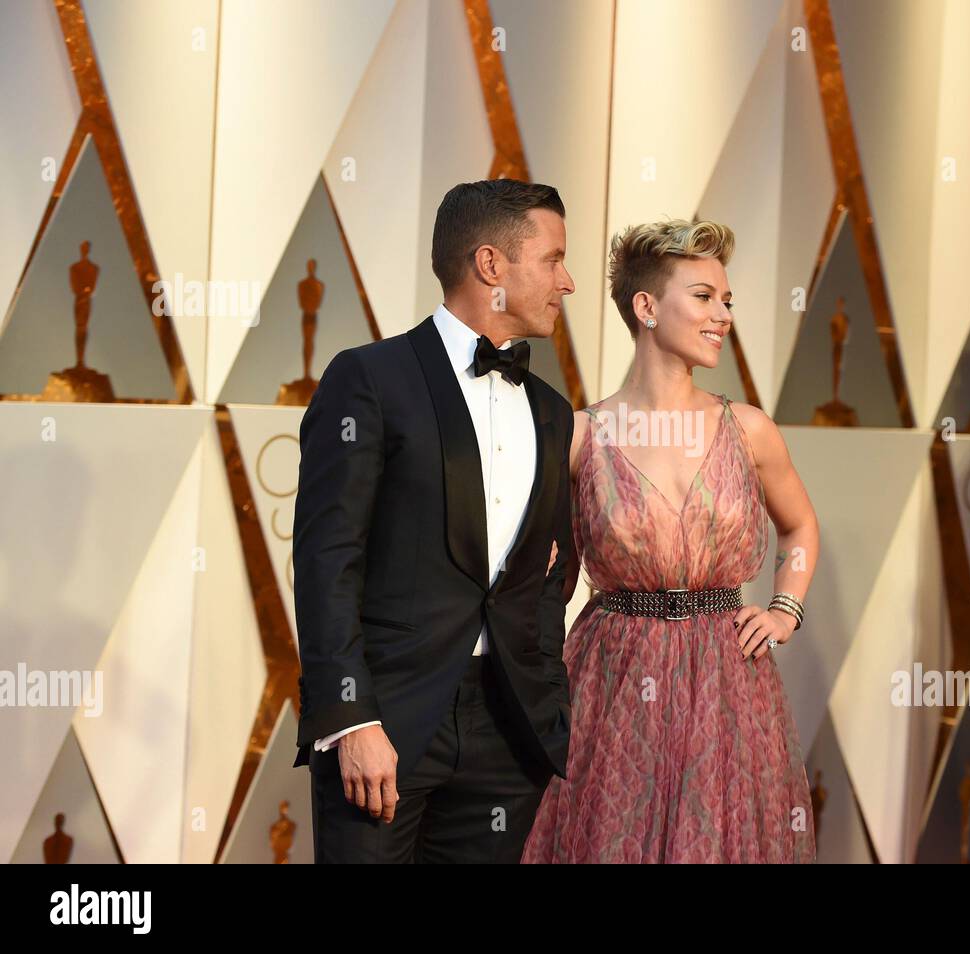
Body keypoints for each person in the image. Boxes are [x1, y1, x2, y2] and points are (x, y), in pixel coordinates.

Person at [293, 179, 577, 863]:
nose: (567, 282)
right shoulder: (369, 379)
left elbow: (551, 572)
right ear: (490, 266)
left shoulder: (551, 408)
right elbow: (327, 559)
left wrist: (543, 704)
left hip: (507, 737)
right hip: (384, 722)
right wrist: (350, 716)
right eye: (553, 259)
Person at [521, 219, 820, 862]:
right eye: (705, 297)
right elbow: (546, 574)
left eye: (728, 301)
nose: (723, 316)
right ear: (647, 306)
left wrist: (784, 609)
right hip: (614, 679)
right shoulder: (579, 437)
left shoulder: (749, 430)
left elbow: (799, 525)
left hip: (727, 682)